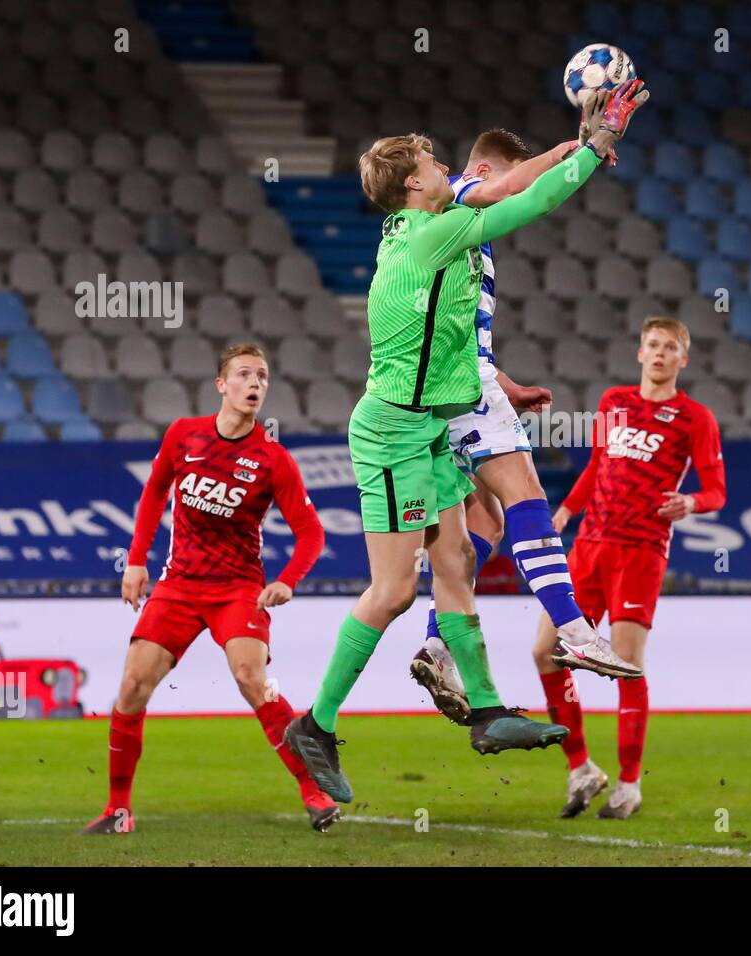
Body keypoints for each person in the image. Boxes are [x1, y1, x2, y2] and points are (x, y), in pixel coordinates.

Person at [285, 82, 650, 805]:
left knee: (455, 560)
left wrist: (576, 144)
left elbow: (504, 183)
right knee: (394, 591)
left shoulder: (418, 222)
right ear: (414, 184)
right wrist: (596, 147)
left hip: (430, 422)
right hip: (392, 432)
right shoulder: (433, 233)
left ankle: (485, 711)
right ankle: (315, 726)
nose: (443, 166)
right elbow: (527, 201)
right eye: (431, 161)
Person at [409, 128, 642, 725]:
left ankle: (437, 645)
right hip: (463, 386)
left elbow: (457, 328)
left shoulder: (452, 234)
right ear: (483, 170)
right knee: (527, 495)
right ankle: (573, 629)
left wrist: (506, 383)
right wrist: (575, 150)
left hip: (441, 391)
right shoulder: (460, 192)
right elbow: (515, 187)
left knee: (481, 526)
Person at [83, 343, 333, 834]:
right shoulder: (184, 434)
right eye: (244, 374)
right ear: (221, 384)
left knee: (251, 678)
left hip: (238, 589)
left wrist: (287, 580)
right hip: (178, 585)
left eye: (262, 376)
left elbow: (311, 532)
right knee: (132, 687)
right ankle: (117, 810)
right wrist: (136, 560)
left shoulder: (273, 458)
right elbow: (155, 492)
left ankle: (315, 791)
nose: (255, 383)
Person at [535, 317, 726, 819]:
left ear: (683, 359)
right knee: (546, 652)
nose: (660, 353)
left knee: (626, 663)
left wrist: (691, 502)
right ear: (640, 353)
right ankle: (581, 767)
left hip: (640, 551)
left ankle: (628, 785)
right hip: (588, 546)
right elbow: (597, 466)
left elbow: (716, 490)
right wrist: (565, 511)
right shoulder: (613, 402)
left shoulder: (695, 418)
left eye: (670, 347)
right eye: (652, 345)